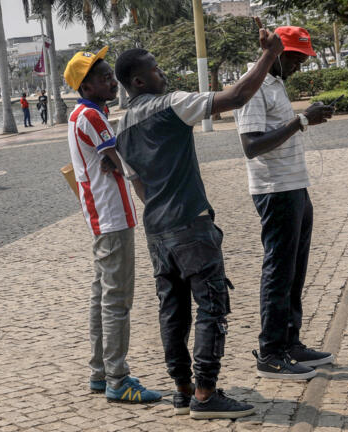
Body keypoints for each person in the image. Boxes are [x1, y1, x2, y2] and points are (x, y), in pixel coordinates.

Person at [111, 24, 285, 420]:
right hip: (190, 225)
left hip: (157, 230)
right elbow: (238, 97)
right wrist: (270, 55)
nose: (162, 73)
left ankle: (183, 389)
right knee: (211, 306)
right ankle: (206, 394)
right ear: (139, 80)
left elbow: (139, 186)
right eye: (155, 69)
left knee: (172, 311)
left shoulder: (120, 129)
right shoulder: (171, 104)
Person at [234, 26, 334, 380]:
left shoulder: (275, 81)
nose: (299, 66)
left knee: (294, 269)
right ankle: (271, 352)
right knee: (278, 270)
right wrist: (302, 121)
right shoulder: (254, 83)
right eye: (296, 58)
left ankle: (291, 342)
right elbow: (251, 146)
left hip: (294, 186)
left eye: (303, 60)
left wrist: (303, 119)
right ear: (277, 52)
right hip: (274, 190)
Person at [63, 47, 162, 405]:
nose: (111, 81)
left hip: (101, 216)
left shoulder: (80, 115)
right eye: (104, 77)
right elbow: (122, 161)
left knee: (102, 295)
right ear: (86, 86)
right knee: (117, 299)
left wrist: (115, 159)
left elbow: (114, 159)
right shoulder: (93, 116)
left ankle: (100, 371)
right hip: (112, 216)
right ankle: (117, 378)